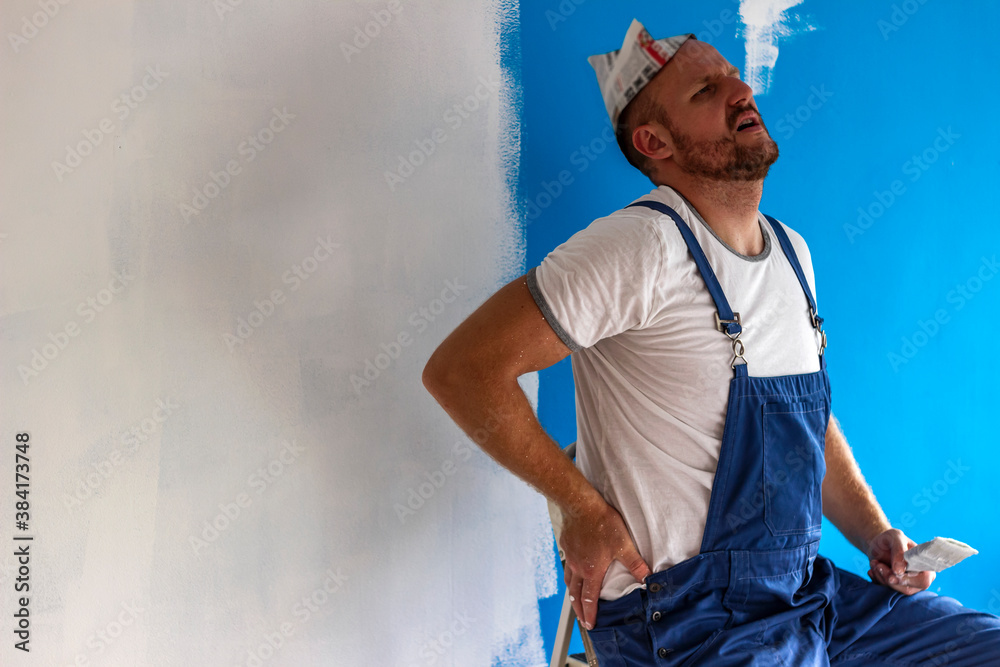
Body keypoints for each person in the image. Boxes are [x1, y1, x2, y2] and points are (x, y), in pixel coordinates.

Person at [422, 18, 1000, 665]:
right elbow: (463, 370)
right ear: (654, 141)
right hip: (688, 618)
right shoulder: (638, 247)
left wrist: (875, 534)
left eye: (734, 77)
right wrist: (581, 508)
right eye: (706, 91)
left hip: (802, 594)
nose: (740, 92)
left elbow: (805, 428)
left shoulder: (791, 253)